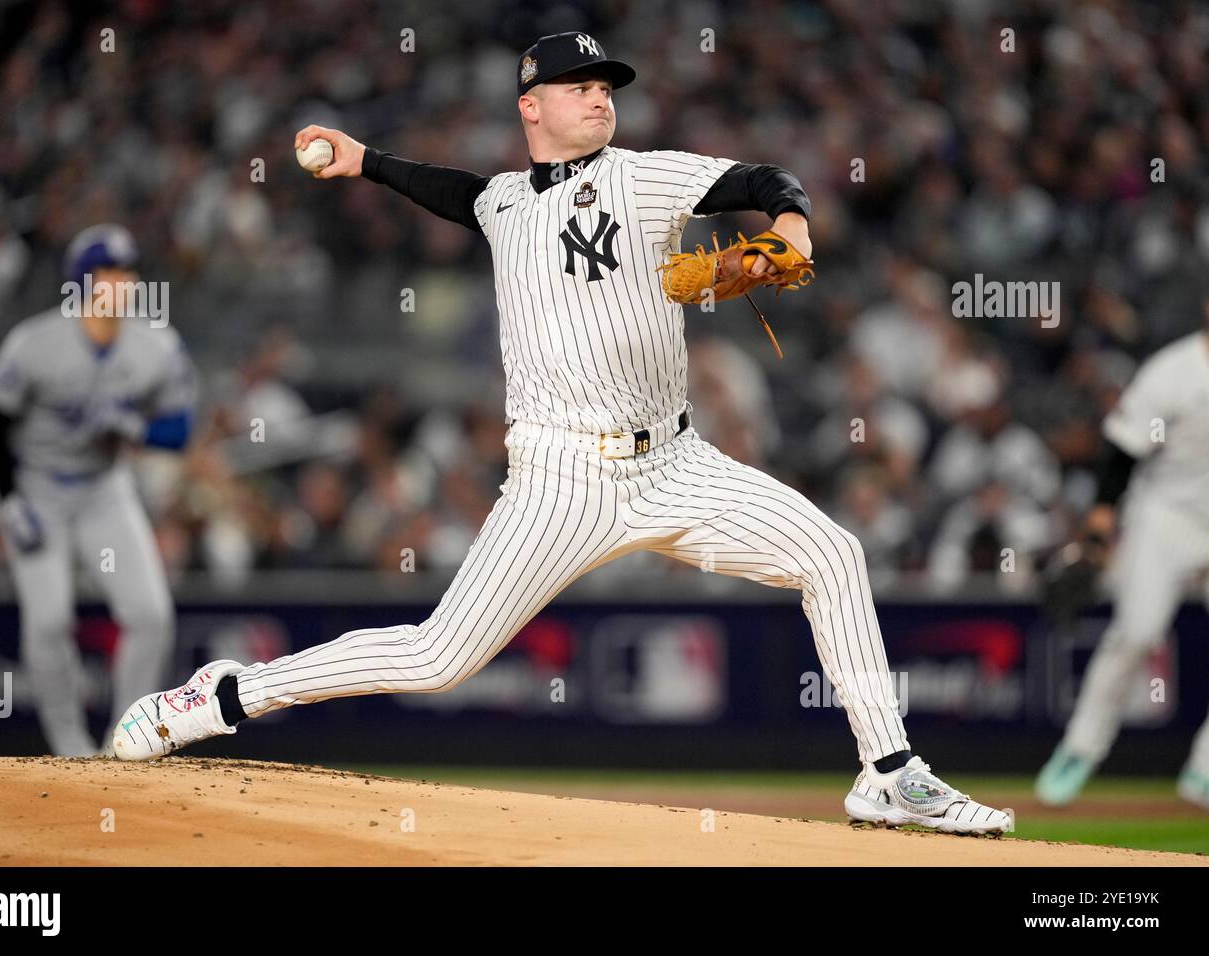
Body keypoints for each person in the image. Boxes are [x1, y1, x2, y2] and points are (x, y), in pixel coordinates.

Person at [113, 33, 1009, 834]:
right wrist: (368, 162)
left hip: (676, 462)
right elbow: (459, 193)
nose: (599, 96)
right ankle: (224, 695)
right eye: (579, 85)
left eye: (606, 84)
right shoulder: (504, 203)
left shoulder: (644, 173)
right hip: (559, 480)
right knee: (438, 658)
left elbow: (768, 182)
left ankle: (889, 774)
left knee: (833, 554)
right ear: (530, 106)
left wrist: (790, 229)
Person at [0, 224, 197, 756]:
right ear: (80, 282)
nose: (123, 283)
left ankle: (126, 742)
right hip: (37, 489)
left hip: (104, 489)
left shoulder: (154, 346)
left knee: (149, 615)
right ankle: (69, 750)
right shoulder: (36, 342)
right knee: (49, 621)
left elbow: (181, 429)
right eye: (109, 273)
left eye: (128, 273)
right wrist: (7, 497)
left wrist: (138, 429)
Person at [1036, 302, 1209, 811]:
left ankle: (1204, 772)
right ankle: (1080, 748)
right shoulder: (1172, 371)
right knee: (1137, 633)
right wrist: (1100, 522)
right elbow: (1122, 450)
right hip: (1166, 517)